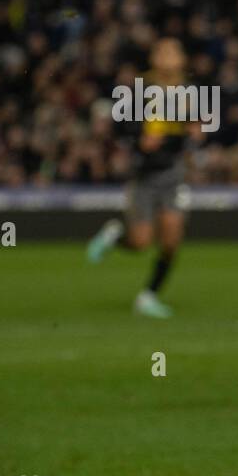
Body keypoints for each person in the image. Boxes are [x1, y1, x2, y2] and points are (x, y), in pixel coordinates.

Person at [86, 37, 201, 318]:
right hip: (145, 174)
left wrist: (196, 130)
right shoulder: (141, 88)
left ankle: (148, 296)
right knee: (141, 242)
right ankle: (115, 235)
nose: (169, 57)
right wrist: (139, 139)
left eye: (174, 51)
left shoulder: (190, 91)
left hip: (173, 173)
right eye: (163, 52)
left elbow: (195, 127)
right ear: (154, 58)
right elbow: (120, 126)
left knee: (171, 240)